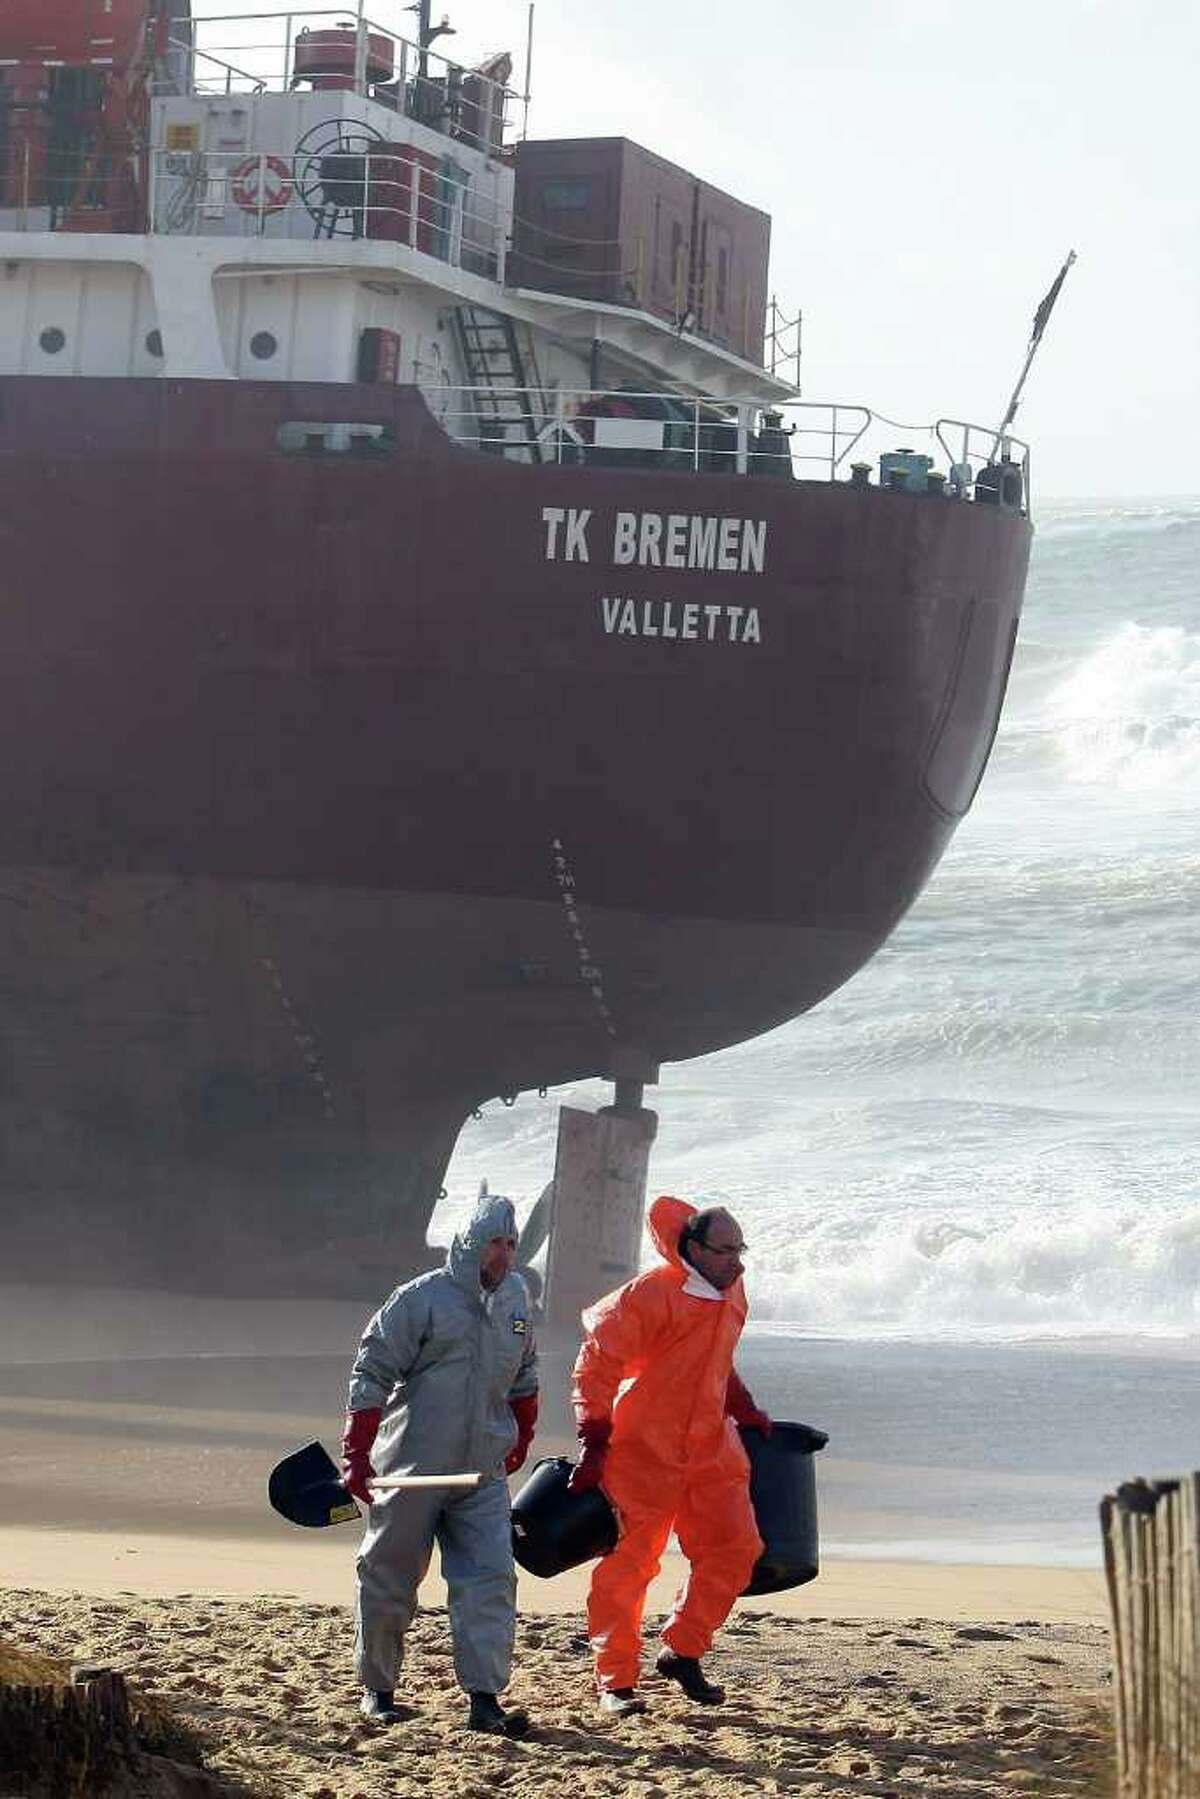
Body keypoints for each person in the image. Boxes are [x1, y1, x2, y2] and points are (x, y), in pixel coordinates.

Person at [341, 1189, 538, 1735]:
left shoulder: (518, 1298)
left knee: (490, 1579)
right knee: (388, 1576)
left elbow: (525, 1372)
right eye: (494, 1243)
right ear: (469, 1244)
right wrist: (356, 1454)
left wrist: (521, 1432)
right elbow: (372, 1371)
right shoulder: (420, 1299)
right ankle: (378, 1689)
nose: (503, 1254)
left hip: (482, 1471)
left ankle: (484, 1698)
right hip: (412, 1468)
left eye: (511, 1243)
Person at [568, 1195, 771, 1716]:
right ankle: (614, 1679)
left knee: (736, 1548)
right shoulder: (649, 1295)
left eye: (740, 1248)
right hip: (643, 1452)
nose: (737, 1260)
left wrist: (746, 1410)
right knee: (629, 1567)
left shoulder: (733, 1292)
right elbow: (596, 1366)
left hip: (711, 1449)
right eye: (726, 1250)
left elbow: (719, 1364)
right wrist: (593, 1440)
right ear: (694, 1248)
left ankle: (682, 1649)